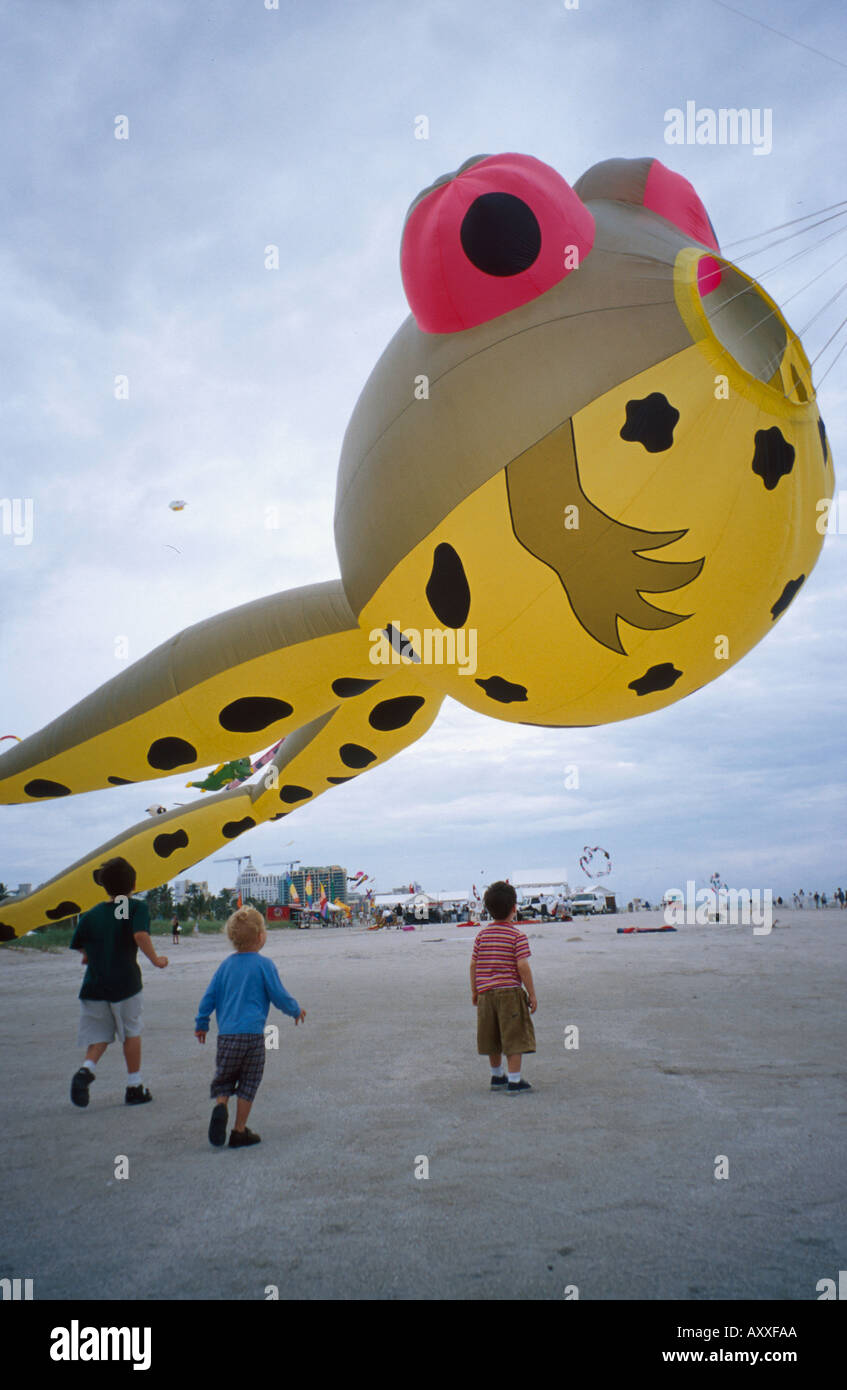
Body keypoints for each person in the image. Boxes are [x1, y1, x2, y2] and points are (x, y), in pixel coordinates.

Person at [195, 906, 305, 1148]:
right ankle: (238, 1130)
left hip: (226, 1037)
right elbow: (278, 995)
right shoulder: (264, 965)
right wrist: (295, 1010)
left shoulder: (225, 966)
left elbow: (209, 997)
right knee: (248, 1082)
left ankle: (221, 1105)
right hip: (253, 1037)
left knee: (225, 1078)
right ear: (260, 937)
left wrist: (202, 1023)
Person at [69, 856, 168, 1108]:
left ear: (104, 886)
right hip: (125, 984)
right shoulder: (134, 908)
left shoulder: (90, 915)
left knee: (100, 1036)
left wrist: (89, 956)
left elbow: (82, 947)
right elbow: (139, 934)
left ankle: (85, 1070)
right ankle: (134, 1086)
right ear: (133, 884)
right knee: (131, 1032)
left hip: (93, 986)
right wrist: (156, 960)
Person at [470, 880, 537, 1095]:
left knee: (492, 1036)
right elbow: (522, 966)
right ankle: (515, 1081)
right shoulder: (517, 936)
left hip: (485, 994)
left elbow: (473, 964)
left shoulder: (481, 935)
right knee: (513, 1036)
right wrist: (532, 994)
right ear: (514, 908)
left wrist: (475, 990)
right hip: (509, 992)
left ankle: (497, 1076)